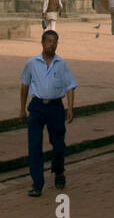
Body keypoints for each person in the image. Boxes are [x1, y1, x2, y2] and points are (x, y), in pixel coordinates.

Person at [19, 29, 77, 197]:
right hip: (37, 107)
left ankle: (58, 171)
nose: (52, 44)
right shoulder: (32, 63)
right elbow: (24, 85)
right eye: (49, 41)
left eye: (55, 41)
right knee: (35, 145)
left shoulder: (62, 64)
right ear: (42, 43)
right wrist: (22, 108)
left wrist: (70, 108)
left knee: (58, 143)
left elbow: (70, 86)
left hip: (55, 107)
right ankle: (37, 183)